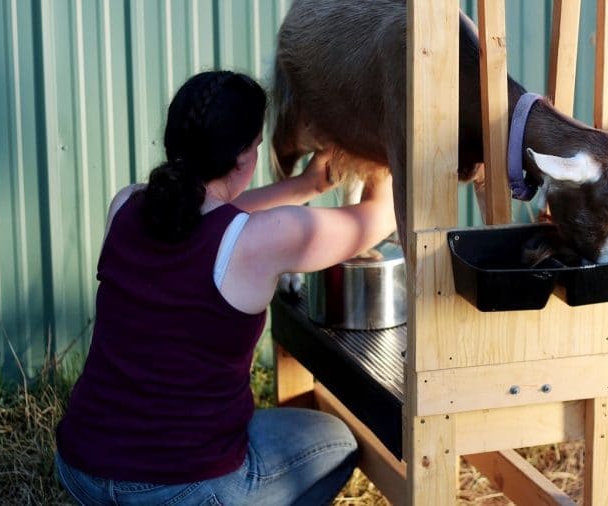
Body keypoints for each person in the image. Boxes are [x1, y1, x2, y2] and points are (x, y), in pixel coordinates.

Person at [54, 70, 396, 505]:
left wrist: (304, 186)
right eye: (255, 146)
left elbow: (210, 213)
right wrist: (378, 137)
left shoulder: (127, 204)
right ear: (242, 158)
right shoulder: (257, 242)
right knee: (337, 442)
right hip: (176, 490)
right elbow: (378, 217)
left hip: (81, 467)